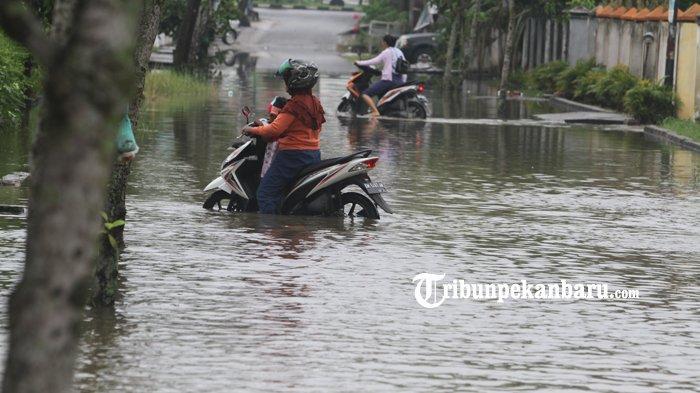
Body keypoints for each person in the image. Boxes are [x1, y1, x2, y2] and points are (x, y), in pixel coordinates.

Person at [242, 59, 325, 214]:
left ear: (294, 81)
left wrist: (252, 130)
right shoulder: (315, 102)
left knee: (265, 194)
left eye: (286, 79)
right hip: (313, 154)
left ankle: (271, 233)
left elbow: (273, 131)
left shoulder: (294, 105)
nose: (285, 84)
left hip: (292, 157)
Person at [354, 34, 407, 117]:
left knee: (365, 94)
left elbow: (374, 61)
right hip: (399, 80)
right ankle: (383, 110)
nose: (381, 43)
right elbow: (404, 67)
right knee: (380, 94)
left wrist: (359, 62)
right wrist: (403, 81)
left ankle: (375, 111)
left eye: (382, 41)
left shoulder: (387, 52)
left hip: (388, 80)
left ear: (385, 43)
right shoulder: (399, 52)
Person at [260, 96, 288, 178]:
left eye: (273, 116)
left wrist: (255, 128)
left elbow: (267, 137)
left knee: (263, 190)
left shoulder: (277, 131)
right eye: (270, 116)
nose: (270, 119)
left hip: (273, 171)